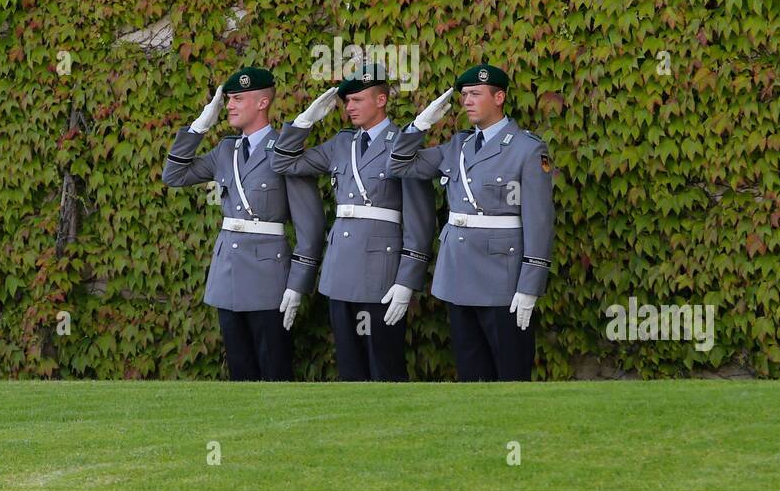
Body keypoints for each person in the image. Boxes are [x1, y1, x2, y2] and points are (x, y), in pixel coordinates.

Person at [387, 63, 555, 381]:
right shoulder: (458, 146)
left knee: (510, 376)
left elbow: (540, 221)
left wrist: (530, 284)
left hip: (503, 280)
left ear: (500, 97)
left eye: (476, 94)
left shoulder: (527, 149)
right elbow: (400, 166)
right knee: (470, 374)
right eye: (464, 95)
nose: (467, 101)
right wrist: (420, 124)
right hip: (458, 274)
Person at [271, 64, 436, 381]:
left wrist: (406, 281)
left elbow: (420, 221)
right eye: (347, 102)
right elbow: (283, 162)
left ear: (381, 100)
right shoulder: (341, 144)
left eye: (358, 100)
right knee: (349, 366)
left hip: (381, 273)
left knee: (383, 366)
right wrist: (304, 122)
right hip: (340, 269)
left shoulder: (402, 144)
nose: (350, 107)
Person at [163, 66, 324, 380]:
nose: (229, 106)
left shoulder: (284, 151)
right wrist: (198, 128)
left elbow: (311, 227)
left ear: (262, 103)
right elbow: (174, 176)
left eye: (237, 99)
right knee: (240, 373)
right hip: (228, 274)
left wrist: (298, 284)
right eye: (228, 100)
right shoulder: (227, 149)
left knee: (274, 371)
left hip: (269, 277)